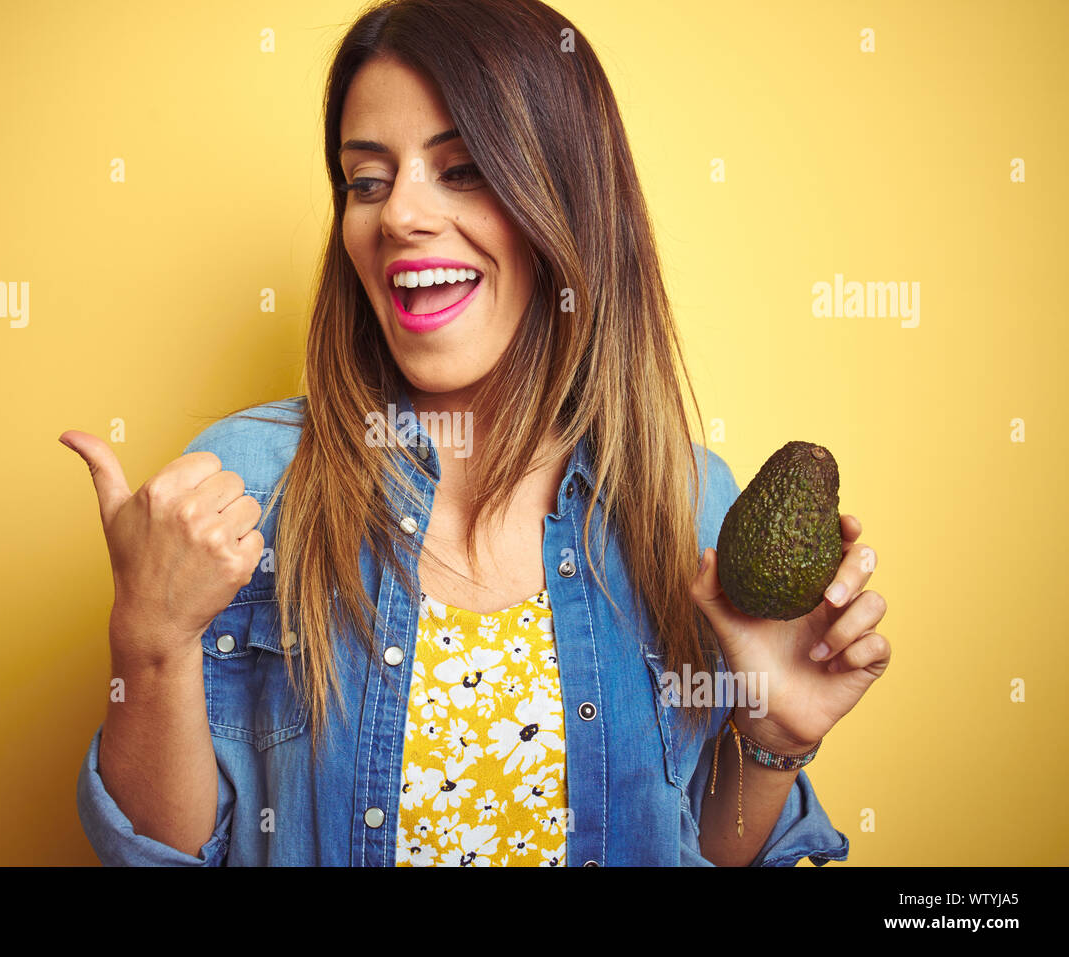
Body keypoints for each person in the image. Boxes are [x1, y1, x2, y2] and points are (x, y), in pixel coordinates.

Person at [61, 0, 889, 866]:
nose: (397, 217)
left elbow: (698, 849)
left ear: (566, 201)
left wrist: (772, 737)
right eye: (367, 181)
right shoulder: (246, 487)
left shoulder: (684, 500)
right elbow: (165, 859)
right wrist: (148, 642)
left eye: (460, 170)